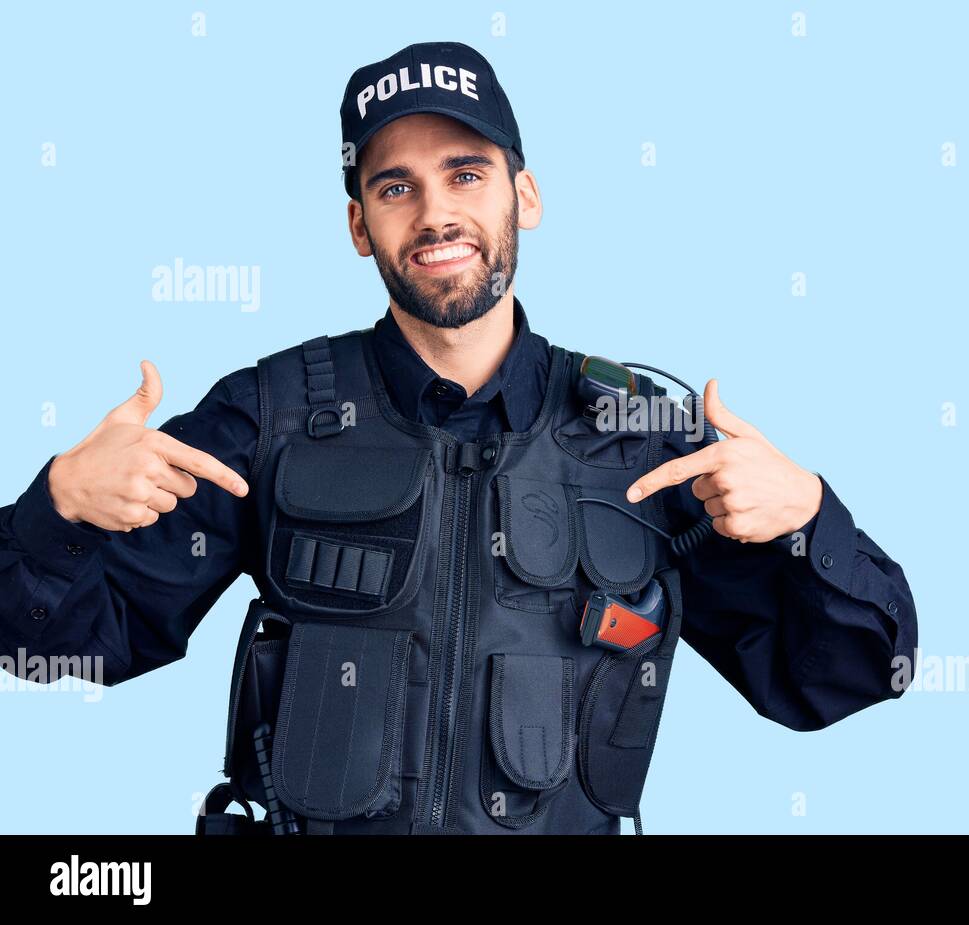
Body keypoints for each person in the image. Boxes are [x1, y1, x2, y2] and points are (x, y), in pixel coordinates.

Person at [0, 41, 917, 834]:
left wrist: (806, 518)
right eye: (395, 186)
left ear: (527, 195)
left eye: (466, 174)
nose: (435, 214)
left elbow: (843, 677)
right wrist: (58, 508)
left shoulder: (641, 436)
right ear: (360, 225)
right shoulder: (266, 417)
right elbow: (63, 642)